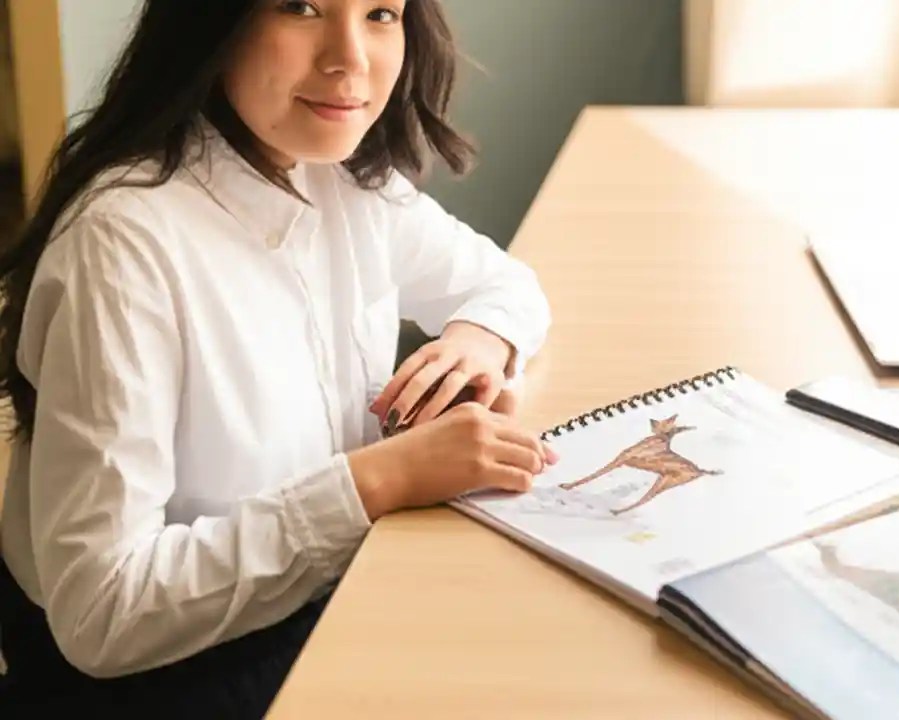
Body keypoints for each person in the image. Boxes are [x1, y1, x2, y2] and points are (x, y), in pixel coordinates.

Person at [0, 0, 554, 715]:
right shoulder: (122, 247)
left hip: (303, 597)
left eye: (381, 12)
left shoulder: (342, 175)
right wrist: (376, 480)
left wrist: (476, 343)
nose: (350, 59)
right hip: (147, 673)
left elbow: (503, 285)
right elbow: (101, 613)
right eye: (301, 7)